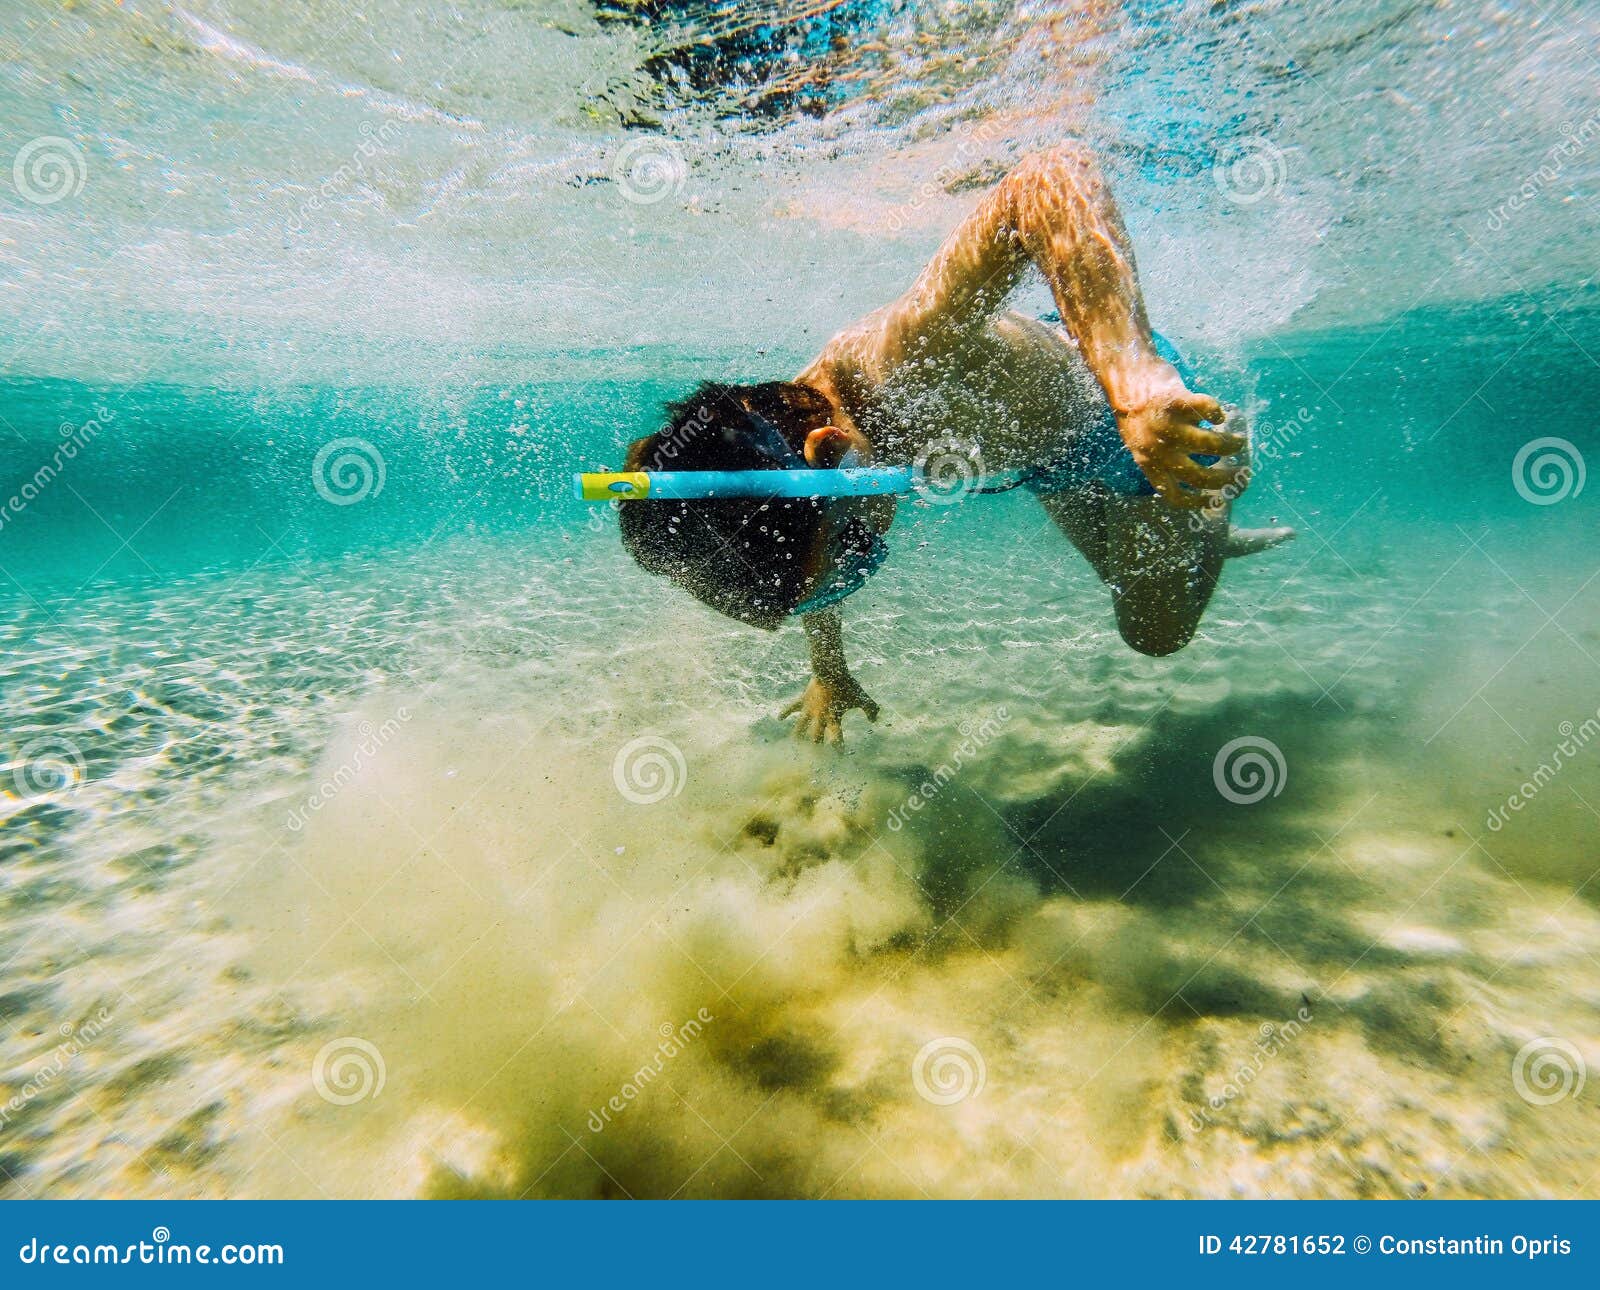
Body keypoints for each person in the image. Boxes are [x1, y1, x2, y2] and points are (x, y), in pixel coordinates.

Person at [617, 143, 1293, 743]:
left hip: (1135, 436)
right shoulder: (802, 463)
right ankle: (1192, 542)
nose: (866, 559)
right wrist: (830, 670)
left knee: (1153, 634)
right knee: (1133, 570)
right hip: (1043, 463)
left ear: (831, 452)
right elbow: (808, 561)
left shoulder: (903, 358)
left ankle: (1209, 507)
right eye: (837, 579)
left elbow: (1050, 177)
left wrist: (1136, 381)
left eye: (853, 552)